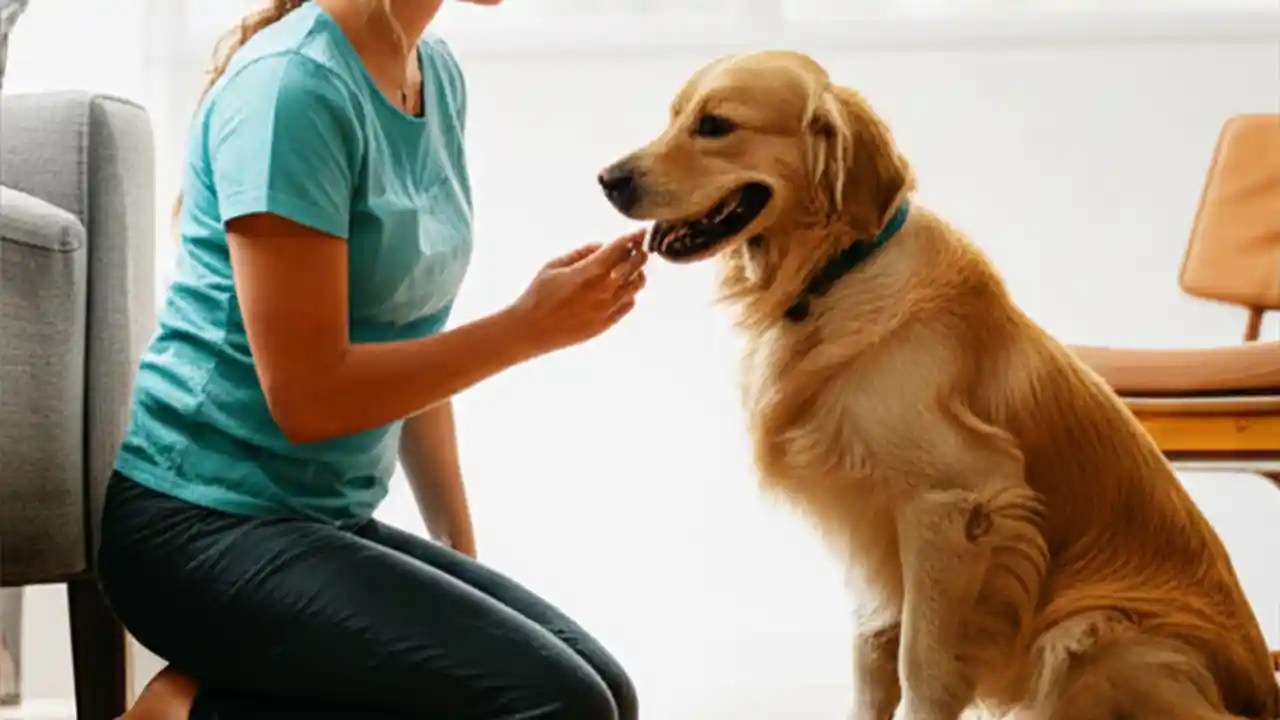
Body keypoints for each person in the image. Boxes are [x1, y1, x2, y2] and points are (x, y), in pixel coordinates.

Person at [98, 0, 646, 718]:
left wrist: (456, 555)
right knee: (561, 706)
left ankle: (203, 700)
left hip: (324, 521)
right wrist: (525, 329)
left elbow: (411, 339)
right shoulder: (290, 90)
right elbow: (307, 397)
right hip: (199, 529)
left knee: (606, 693)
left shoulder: (433, 75)